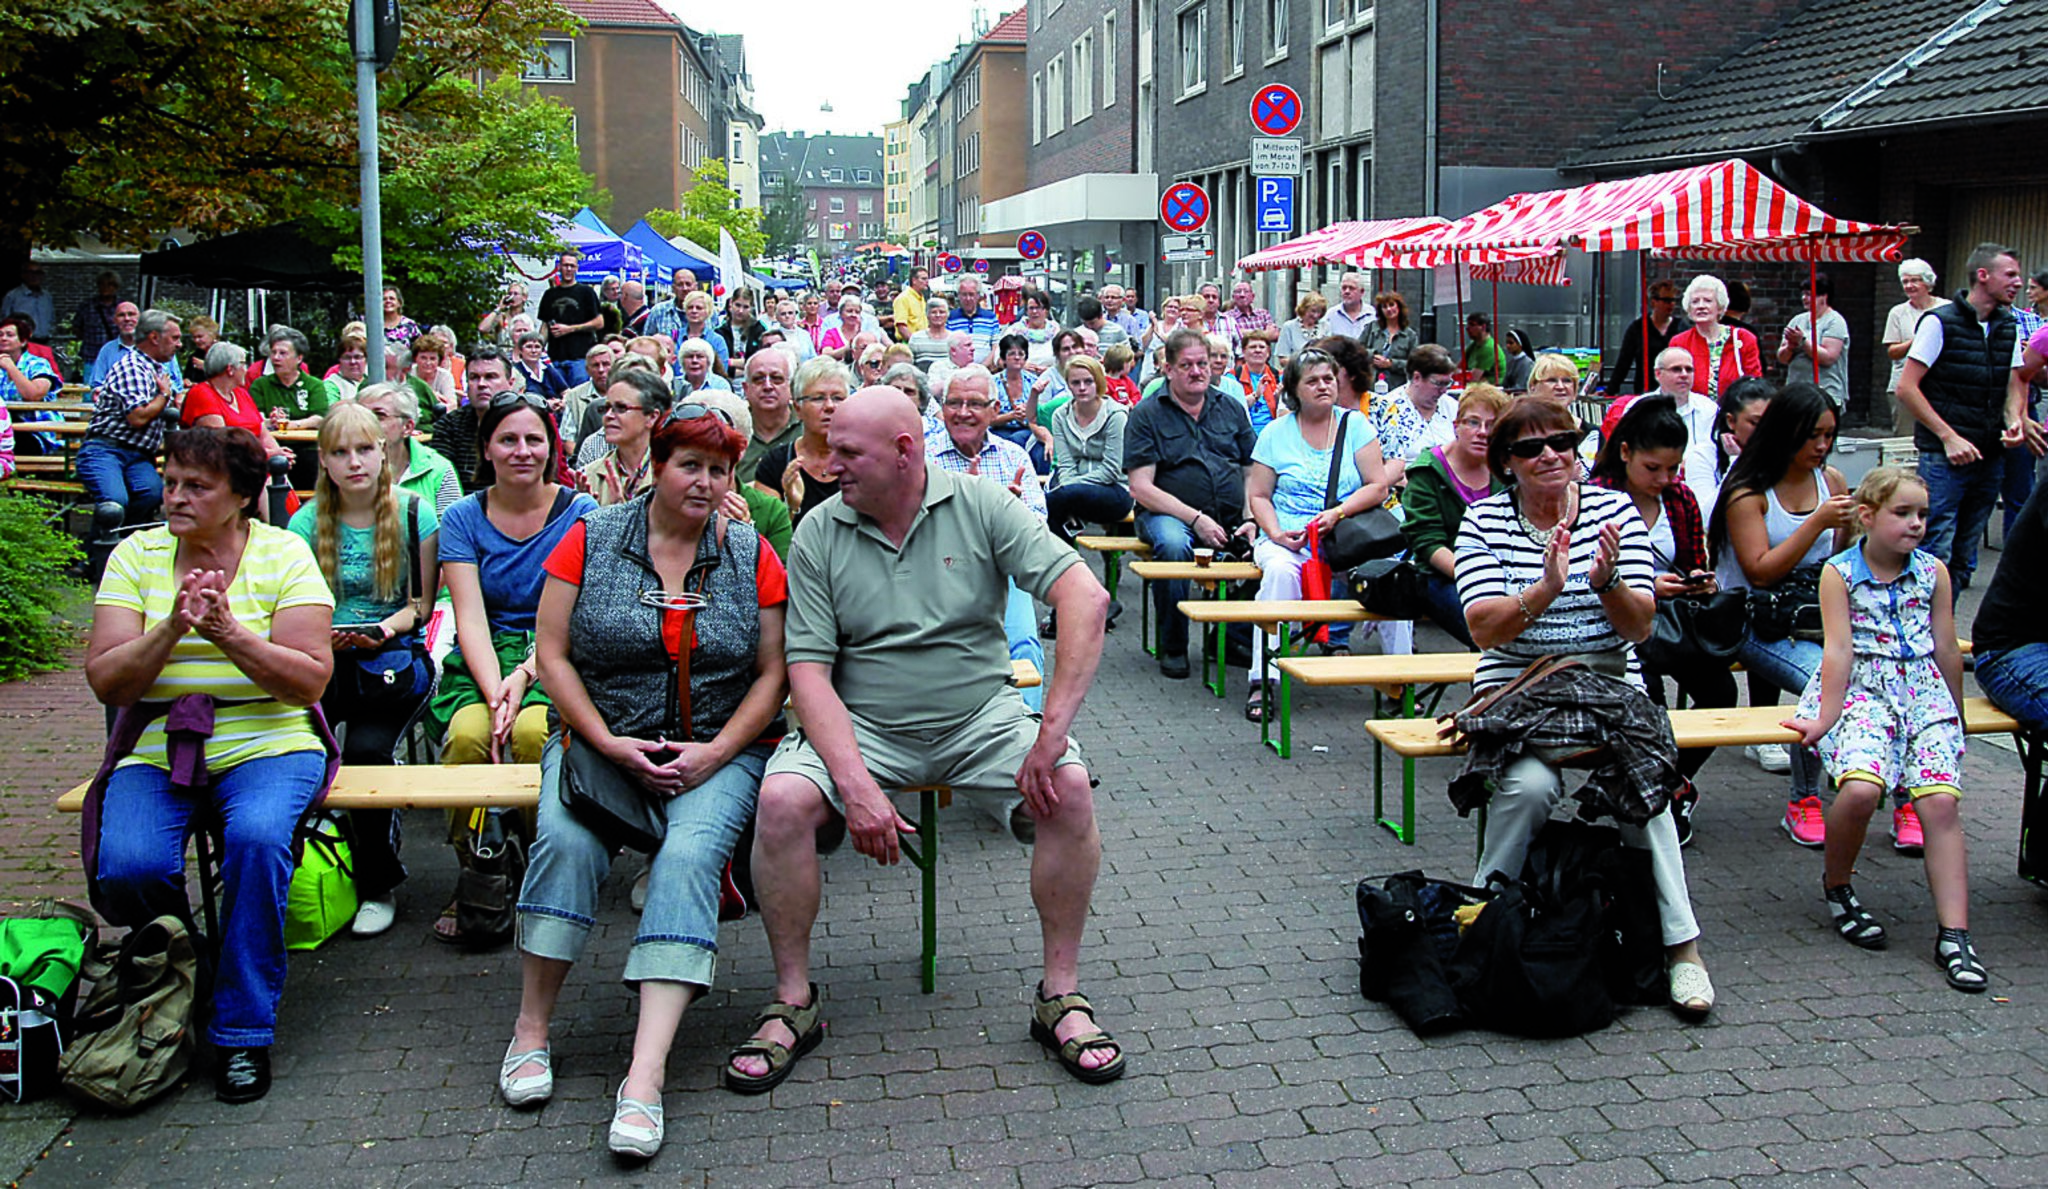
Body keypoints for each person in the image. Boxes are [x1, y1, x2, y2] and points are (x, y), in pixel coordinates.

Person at [726, 386, 1122, 1093]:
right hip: (863, 722)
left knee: (1068, 786)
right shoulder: (820, 530)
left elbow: (1084, 596)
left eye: (847, 451)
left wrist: (1050, 733)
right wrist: (853, 784)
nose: (829, 462)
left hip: (979, 716)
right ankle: (793, 1000)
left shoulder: (981, 503)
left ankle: (1059, 994)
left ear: (905, 452)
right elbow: (808, 671)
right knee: (782, 799)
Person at [504, 407, 787, 1156]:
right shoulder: (591, 538)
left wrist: (718, 750)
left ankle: (645, 1072)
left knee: (690, 857)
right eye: (689, 464)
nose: (705, 481)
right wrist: (603, 739)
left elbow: (772, 673)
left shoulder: (749, 551)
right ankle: (530, 1030)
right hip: (601, 741)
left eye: (719, 469)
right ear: (655, 466)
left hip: (716, 748)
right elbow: (553, 652)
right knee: (562, 842)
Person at [85, 426, 337, 1102]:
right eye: (169, 482)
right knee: (129, 866)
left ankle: (242, 1031)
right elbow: (108, 681)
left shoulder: (284, 554)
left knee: (257, 841)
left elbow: (310, 681)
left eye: (195, 486)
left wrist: (227, 631)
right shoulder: (135, 556)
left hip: (270, 741)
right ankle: (188, 971)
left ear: (242, 495)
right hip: (160, 743)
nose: (174, 496)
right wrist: (170, 626)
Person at [1456, 397, 1713, 1017]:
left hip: (1600, 686)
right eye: (1529, 447)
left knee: (1644, 791)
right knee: (1527, 788)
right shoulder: (1484, 521)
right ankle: (1487, 913)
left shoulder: (1612, 508)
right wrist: (1545, 589)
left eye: (1562, 442)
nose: (1549, 455)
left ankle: (1683, 949)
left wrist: (1605, 583)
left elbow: (1641, 628)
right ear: (1507, 463)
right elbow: (1484, 630)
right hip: (1516, 685)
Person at [1780, 468, 1980, 991]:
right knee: (1862, 789)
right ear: (1867, 518)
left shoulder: (1934, 571)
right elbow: (1838, 649)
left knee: (1940, 803)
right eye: (1903, 513)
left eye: (1922, 515)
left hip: (1922, 690)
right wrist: (1826, 716)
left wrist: (1955, 716)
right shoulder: (1839, 573)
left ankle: (1954, 933)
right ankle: (1838, 883)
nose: (1916, 524)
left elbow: (1945, 645)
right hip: (1863, 689)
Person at [427, 394, 599, 941]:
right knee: (467, 737)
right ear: (487, 449)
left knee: (532, 735)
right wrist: (495, 689)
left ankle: (535, 865)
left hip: (556, 653)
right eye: (508, 439)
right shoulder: (460, 518)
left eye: (533, 439)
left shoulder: (581, 514)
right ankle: (481, 865)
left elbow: (570, 619)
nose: (522, 451)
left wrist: (524, 678)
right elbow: (469, 617)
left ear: (551, 448)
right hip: (484, 656)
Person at [288, 403, 438, 937]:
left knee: (368, 752)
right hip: (325, 659)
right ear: (323, 462)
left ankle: (379, 881)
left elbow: (422, 603)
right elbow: (297, 607)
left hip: (393, 659)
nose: (354, 462)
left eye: (364, 449)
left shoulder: (415, 513)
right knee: (299, 753)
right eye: (340, 452)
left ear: (383, 453)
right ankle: (307, 867)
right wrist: (329, 635)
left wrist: (381, 630)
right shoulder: (304, 523)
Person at [1710, 382, 1855, 848]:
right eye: (1812, 435)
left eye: (1829, 435)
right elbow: (1760, 572)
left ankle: (1902, 788)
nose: (1821, 446)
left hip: (1815, 616)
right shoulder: (1747, 492)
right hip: (1755, 621)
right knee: (1824, 679)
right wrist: (1817, 522)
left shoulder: (1829, 482)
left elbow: (1840, 561)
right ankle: (1804, 799)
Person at [1589, 395, 1731, 846]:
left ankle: (1670, 781)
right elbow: (1586, 574)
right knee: (1648, 702)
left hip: (1673, 623)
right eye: (1654, 469)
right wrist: (1649, 586)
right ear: (1625, 451)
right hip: (1616, 625)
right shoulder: (1595, 498)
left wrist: (1698, 582)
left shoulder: (1680, 499)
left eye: (1673, 469)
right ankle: (1662, 789)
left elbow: (1693, 559)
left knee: (1721, 692)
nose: (1665, 479)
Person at [1241, 348, 1392, 721]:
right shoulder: (1276, 433)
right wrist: (1274, 533)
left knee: (1392, 576)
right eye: (1312, 380)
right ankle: (1265, 677)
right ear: (1294, 388)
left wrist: (1339, 512)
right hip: (1290, 536)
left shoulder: (1356, 425)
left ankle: (1399, 679)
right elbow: (1258, 495)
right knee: (1278, 573)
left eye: (1328, 378)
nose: (1323, 386)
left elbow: (1378, 487)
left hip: (1349, 535)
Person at [1895, 242, 2035, 595]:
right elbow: (1907, 388)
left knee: (1965, 555)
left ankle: (1944, 638)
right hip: (1944, 457)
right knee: (1934, 548)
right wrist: (1948, 437)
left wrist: (2014, 417)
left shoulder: (2008, 324)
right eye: (2011, 275)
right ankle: (1918, 638)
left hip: (1990, 454)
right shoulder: (1940, 323)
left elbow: (2014, 381)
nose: (2018, 282)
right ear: (1983, 276)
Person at [1125, 328, 1257, 680]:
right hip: (1168, 514)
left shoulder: (1230, 407)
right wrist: (1195, 518)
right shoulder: (1147, 414)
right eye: (1186, 365)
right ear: (1168, 369)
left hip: (1230, 515)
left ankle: (1229, 639)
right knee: (1172, 545)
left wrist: (1250, 517)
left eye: (1202, 364)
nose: (1197, 371)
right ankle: (1174, 645)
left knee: (1271, 547)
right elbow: (1141, 487)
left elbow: (1250, 469)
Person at [1399, 383, 1508, 648]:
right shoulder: (1427, 471)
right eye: (1473, 422)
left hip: (1506, 573)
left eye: (1492, 425)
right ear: (1456, 425)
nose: (1482, 432)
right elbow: (1426, 542)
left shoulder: (1508, 470)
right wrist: (1477, 575)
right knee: (1492, 628)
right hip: (1441, 575)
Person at [77, 308, 180, 523]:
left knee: (152, 494)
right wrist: (164, 395)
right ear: (154, 338)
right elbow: (138, 417)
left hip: (139, 455)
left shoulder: (156, 368)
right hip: (106, 450)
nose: (179, 344)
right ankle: (97, 553)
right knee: (115, 503)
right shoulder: (133, 368)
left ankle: (124, 543)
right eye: (174, 338)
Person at [1046, 353, 1132, 552]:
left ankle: (1065, 566)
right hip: (1072, 492)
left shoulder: (1116, 415)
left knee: (1051, 503)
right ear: (1068, 384)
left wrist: (1068, 490)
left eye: (1088, 381)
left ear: (1098, 382)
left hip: (1115, 489)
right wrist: (1069, 490)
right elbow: (1066, 465)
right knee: (1058, 512)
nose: (1082, 387)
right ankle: (1067, 565)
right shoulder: (1060, 415)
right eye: (1076, 382)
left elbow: (1111, 471)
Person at [754, 356, 847, 526]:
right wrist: (791, 507)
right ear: (797, 408)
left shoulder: (863, 461)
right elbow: (765, 539)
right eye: (818, 398)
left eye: (838, 398)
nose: (829, 406)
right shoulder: (775, 464)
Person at [355, 381, 462, 515]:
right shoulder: (348, 467)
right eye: (362, 415)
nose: (366, 423)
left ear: (407, 427)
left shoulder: (437, 469)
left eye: (379, 416)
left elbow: (449, 530)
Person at [1372, 343, 1460, 491]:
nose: (1444, 391)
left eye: (1448, 383)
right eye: (1438, 383)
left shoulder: (1452, 407)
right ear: (1417, 378)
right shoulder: (1387, 410)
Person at [1668, 275, 1763, 404]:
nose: (1701, 306)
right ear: (1689, 309)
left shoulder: (1744, 338)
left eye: (1707, 301)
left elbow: (1755, 384)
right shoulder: (1679, 342)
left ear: (1719, 307)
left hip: (1733, 415)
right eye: (1695, 302)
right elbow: (1673, 384)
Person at [1882, 259, 1950, 439]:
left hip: (1940, 383)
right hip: (1903, 383)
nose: (1909, 286)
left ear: (1927, 282)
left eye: (1914, 280)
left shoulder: (1947, 308)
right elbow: (1892, 351)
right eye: (1905, 281)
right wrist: (1917, 341)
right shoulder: (1897, 312)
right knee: (1906, 439)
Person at [181, 341, 284, 456]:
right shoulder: (202, 394)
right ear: (230, 369)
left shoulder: (241, 394)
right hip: (224, 468)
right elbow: (221, 446)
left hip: (256, 464)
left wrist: (280, 454)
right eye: (244, 364)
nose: (247, 370)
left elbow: (263, 434)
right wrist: (269, 454)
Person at [1777, 273, 1851, 413]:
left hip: (1825, 391)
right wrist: (1790, 348)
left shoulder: (1835, 322)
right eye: (1804, 294)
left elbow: (1828, 357)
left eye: (1810, 295)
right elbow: (1782, 358)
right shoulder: (1797, 320)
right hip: (1796, 391)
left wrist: (1803, 342)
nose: (1805, 298)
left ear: (1824, 296)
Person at [1602, 281, 1682, 395]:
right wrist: (1610, 391)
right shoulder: (1638, 328)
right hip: (1645, 390)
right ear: (1654, 302)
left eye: (1674, 301)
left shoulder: (1681, 328)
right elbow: (1624, 362)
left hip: (1674, 391)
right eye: (1666, 301)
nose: (1671, 305)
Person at [738, 346, 801, 485]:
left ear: (791, 387)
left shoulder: (808, 427)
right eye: (758, 379)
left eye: (776, 379)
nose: (767, 386)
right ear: (746, 389)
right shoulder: (734, 429)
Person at [539, 253, 604, 386]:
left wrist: (570, 329)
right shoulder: (549, 294)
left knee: (578, 396)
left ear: (577, 268)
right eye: (565, 265)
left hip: (580, 356)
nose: (568, 269)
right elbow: (545, 324)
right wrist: (538, 347)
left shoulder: (586, 292)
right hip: (555, 356)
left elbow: (599, 322)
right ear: (559, 267)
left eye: (571, 266)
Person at [249, 326, 331, 431]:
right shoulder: (260, 385)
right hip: (272, 444)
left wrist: (292, 425)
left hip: (307, 445)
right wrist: (272, 421)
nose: (276, 358)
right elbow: (255, 418)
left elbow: (319, 419)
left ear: (299, 358)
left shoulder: (314, 385)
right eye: (273, 352)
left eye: (282, 353)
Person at [0, 316, 58, 454]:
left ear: (23, 341)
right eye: (0, 335)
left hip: (33, 432)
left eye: (10, 335)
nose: (3, 338)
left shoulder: (38, 364)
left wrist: (11, 367)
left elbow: (34, 395)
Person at [1359, 292, 1416, 387]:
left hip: (1397, 387)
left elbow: (1414, 364)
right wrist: (1372, 356)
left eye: (1391, 305)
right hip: (1371, 385)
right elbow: (1356, 351)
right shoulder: (1371, 328)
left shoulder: (1410, 335)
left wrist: (1390, 364)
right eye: (1384, 307)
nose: (1389, 309)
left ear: (1399, 307)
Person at [84, 301, 142, 387]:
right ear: (115, 320)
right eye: (121, 315)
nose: (127, 318)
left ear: (140, 319)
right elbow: (97, 383)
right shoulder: (107, 350)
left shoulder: (154, 348)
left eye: (131, 314)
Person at [1236, 328, 1283, 432]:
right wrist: (1255, 396)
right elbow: (1231, 411)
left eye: (1262, 347)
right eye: (1253, 347)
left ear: (1268, 352)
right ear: (1243, 352)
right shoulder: (1233, 377)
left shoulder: (1280, 377)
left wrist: (1279, 398)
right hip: (1244, 434)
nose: (1258, 350)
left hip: (1273, 433)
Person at [76, 273, 124, 373]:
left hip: (117, 356)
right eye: (102, 284)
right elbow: (77, 327)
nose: (106, 287)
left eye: (110, 284)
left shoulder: (122, 307)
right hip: (92, 356)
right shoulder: (87, 306)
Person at [947, 276, 1002, 360]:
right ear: (958, 295)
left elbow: (995, 347)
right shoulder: (950, 318)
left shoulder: (990, 318)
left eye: (971, 294)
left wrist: (983, 367)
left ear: (978, 295)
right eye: (964, 294)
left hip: (985, 370)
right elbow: (949, 347)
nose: (968, 298)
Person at [0, 261, 55, 347]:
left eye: (38, 273)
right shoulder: (13, 296)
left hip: (44, 342)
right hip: (22, 343)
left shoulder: (47, 297)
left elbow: (51, 319)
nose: (34, 276)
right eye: (30, 272)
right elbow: (5, 321)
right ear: (23, 275)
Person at [513, 332, 570, 405]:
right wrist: (546, 404)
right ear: (520, 350)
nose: (533, 351)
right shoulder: (516, 371)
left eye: (537, 347)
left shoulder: (547, 368)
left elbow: (566, 391)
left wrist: (562, 402)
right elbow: (518, 398)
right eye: (529, 347)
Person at [1274, 292, 1327, 369]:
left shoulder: (1326, 326)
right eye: (1313, 311)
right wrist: (1304, 364)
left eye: (1319, 312)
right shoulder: (1289, 326)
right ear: (1304, 309)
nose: (1316, 315)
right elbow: (1282, 360)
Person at [1220, 281, 1273, 356]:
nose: (1242, 295)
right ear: (1233, 297)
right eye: (1238, 292)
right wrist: (1263, 334)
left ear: (1253, 296)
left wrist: (1243, 332)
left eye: (1246, 291)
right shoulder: (1226, 317)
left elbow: (1274, 334)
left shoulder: (1263, 313)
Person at [714, 290, 767, 362]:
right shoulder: (720, 331)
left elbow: (761, 358)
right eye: (737, 305)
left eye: (746, 307)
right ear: (731, 304)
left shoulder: (758, 329)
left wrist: (731, 363)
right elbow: (719, 361)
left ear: (751, 308)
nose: (740, 310)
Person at [1324, 272, 1376, 341]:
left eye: (1351, 288)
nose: (1347, 291)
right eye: (1344, 288)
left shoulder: (1373, 315)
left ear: (1362, 292)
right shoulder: (1331, 315)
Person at [480, 280, 532, 347]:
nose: (512, 297)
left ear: (524, 297)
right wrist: (499, 308)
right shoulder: (501, 317)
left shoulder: (527, 320)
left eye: (515, 294)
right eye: (510, 294)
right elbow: (482, 328)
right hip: (502, 353)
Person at [815, 295, 866, 364]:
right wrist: (849, 347)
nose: (853, 315)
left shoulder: (864, 335)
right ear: (841, 314)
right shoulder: (831, 333)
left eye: (857, 312)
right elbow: (826, 355)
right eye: (849, 311)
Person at [907, 296, 951, 370]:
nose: (938, 315)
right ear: (927, 315)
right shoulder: (916, 338)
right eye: (933, 312)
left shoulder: (954, 338)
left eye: (942, 312)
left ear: (947, 315)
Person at [1462, 312, 1504, 384]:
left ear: (1483, 327)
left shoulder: (1489, 348)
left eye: (1472, 325)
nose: (1467, 328)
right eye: (1468, 324)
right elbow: (1459, 368)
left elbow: (1474, 378)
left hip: (1488, 390)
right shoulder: (1474, 345)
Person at [327, 335, 371, 403]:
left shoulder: (372, 379)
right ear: (339, 360)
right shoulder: (331, 384)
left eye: (357, 357)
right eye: (347, 357)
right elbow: (333, 410)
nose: (353, 362)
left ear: (366, 359)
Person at [894, 267, 932, 338]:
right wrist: (914, 343)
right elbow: (901, 327)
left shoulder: (921, 298)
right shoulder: (903, 298)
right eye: (923, 279)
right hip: (908, 343)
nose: (927, 281)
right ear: (914, 280)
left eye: (927, 279)